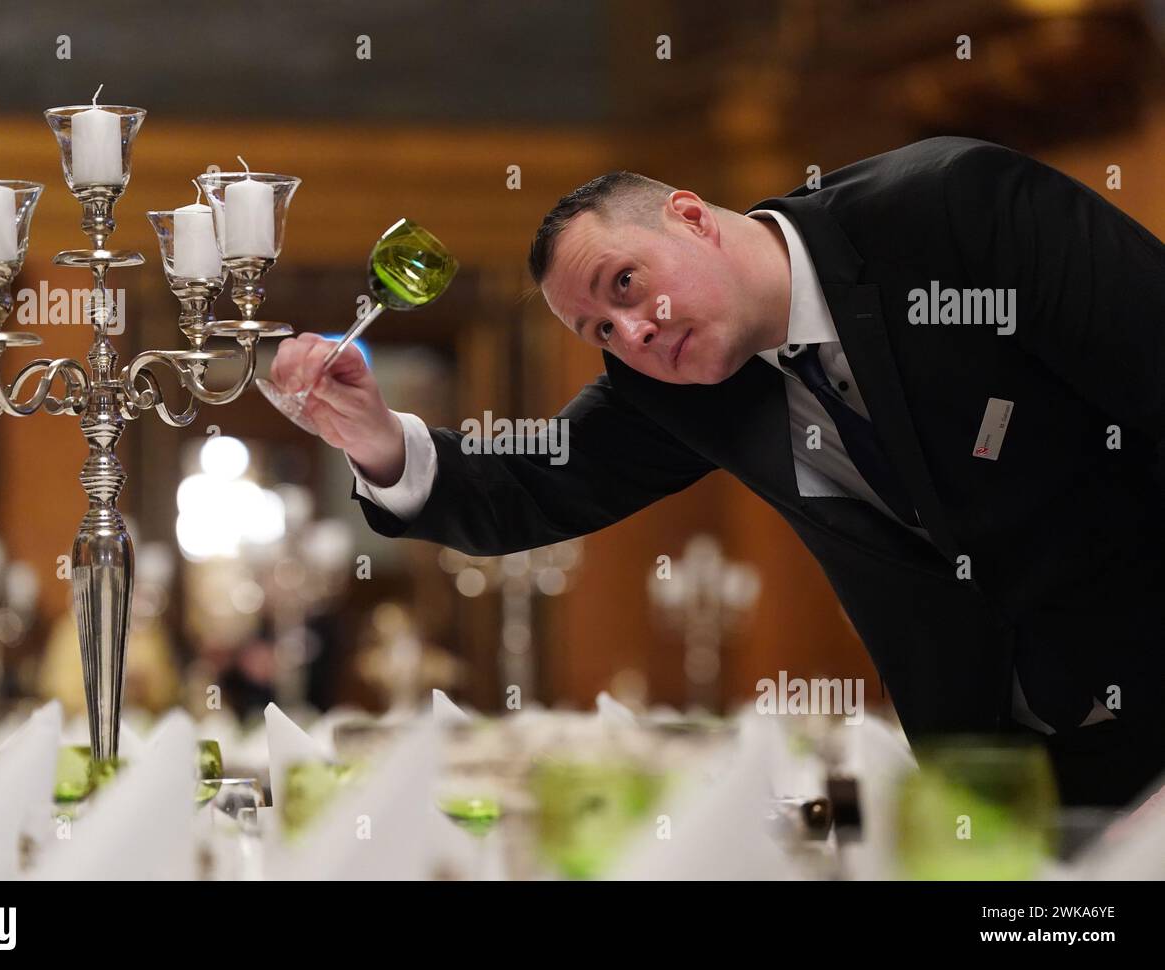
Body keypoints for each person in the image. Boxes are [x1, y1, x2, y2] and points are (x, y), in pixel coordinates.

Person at [271, 136, 1165, 807]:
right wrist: (375, 435)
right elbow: (527, 489)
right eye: (599, 333)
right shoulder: (681, 388)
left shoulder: (952, 214)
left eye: (624, 286)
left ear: (692, 216)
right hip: (1003, 778)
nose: (633, 335)